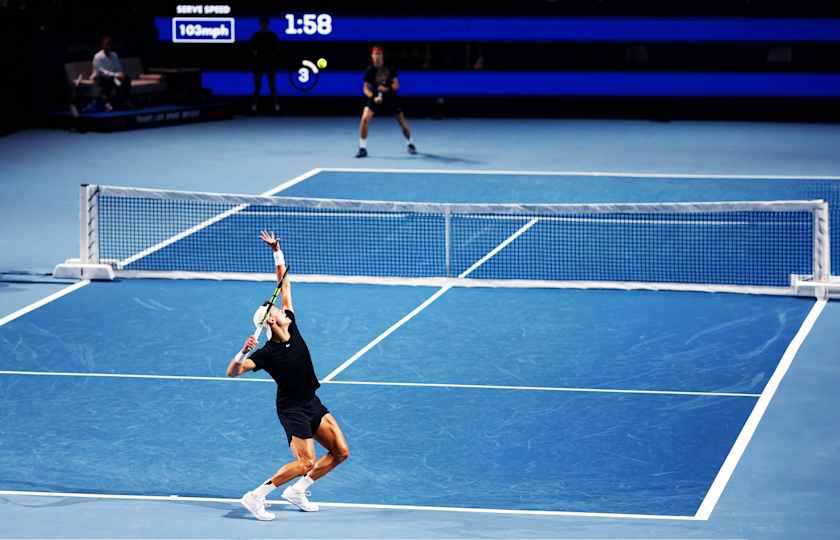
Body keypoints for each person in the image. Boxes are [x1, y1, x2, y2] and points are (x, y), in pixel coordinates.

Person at [227, 231, 350, 521]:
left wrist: (277, 252)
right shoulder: (266, 353)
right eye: (277, 311)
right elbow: (233, 373)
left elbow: (285, 285)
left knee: (341, 452)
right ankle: (255, 496)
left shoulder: (291, 324)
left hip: (311, 401)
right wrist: (241, 354)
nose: (283, 309)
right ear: (271, 319)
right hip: (292, 408)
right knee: (306, 461)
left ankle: (298, 491)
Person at [356, 46, 416, 158]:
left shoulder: (390, 68)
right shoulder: (369, 70)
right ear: (372, 56)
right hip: (375, 97)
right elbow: (365, 88)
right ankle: (362, 148)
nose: (377, 56)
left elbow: (396, 85)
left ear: (382, 56)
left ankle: (410, 144)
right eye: (375, 54)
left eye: (379, 54)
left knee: (402, 122)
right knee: (364, 119)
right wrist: (373, 97)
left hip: (390, 98)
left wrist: (387, 89)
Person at [249, 17, 280, 113]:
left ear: (267, 24)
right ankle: (254, 107)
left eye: (265, 23)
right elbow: (252, 49)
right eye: (262, 23)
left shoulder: (272, 36)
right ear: (260, 24)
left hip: (270, 64)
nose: (263, 25)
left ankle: (276, 107)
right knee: (257, 87)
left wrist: (271, 57)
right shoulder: (256, 36)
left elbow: (276, 49)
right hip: (258, 64)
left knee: (272, 86)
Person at [91, 36, 130, 111]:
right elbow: (101, 72)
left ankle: (124, 100)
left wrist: (121, 74)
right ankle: (107, 102)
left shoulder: (114, 55)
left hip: (112, 78)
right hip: (99, 78)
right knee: (109, 80)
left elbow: (118, 67)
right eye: (106, 44)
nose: (108, 46)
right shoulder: (97, 56)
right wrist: (116, 75)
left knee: (125, 80)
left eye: (110, 45)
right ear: (102, 45)